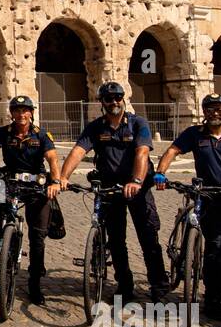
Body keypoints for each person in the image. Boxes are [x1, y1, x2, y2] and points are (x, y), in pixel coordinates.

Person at [59, 82, 170, 303]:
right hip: (109, 189)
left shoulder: (138, 123)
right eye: (109, 99)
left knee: (148, 237)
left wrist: (136, 180)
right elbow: (78, 151)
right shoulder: (96, 127)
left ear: (124, 99)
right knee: (116, 240)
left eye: (118, 97)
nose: (114, 102)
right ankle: (125, 285)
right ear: (102, 102)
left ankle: (158, 285)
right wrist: (63, 177)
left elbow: (142, 153)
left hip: (137, 188)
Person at [155, 93, 221, 319]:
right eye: (210, 109)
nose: (215, 114)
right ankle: (212, 297)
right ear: (204, 112)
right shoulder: (195, 134)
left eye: (220, 109)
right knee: (215, 250)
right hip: (210, 199)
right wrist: (160, 173)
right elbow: (172, 151)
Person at [0, 95, 61, 306]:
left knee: (38, 236)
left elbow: (53, 159)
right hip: (8, 179)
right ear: (12, 114)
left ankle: (35, 283)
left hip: (35, 183)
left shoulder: (42, 134)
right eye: (17, 110)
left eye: (25, 110)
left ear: (31, 113)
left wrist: (55, 181)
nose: (21, 114)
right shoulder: (4, 132)